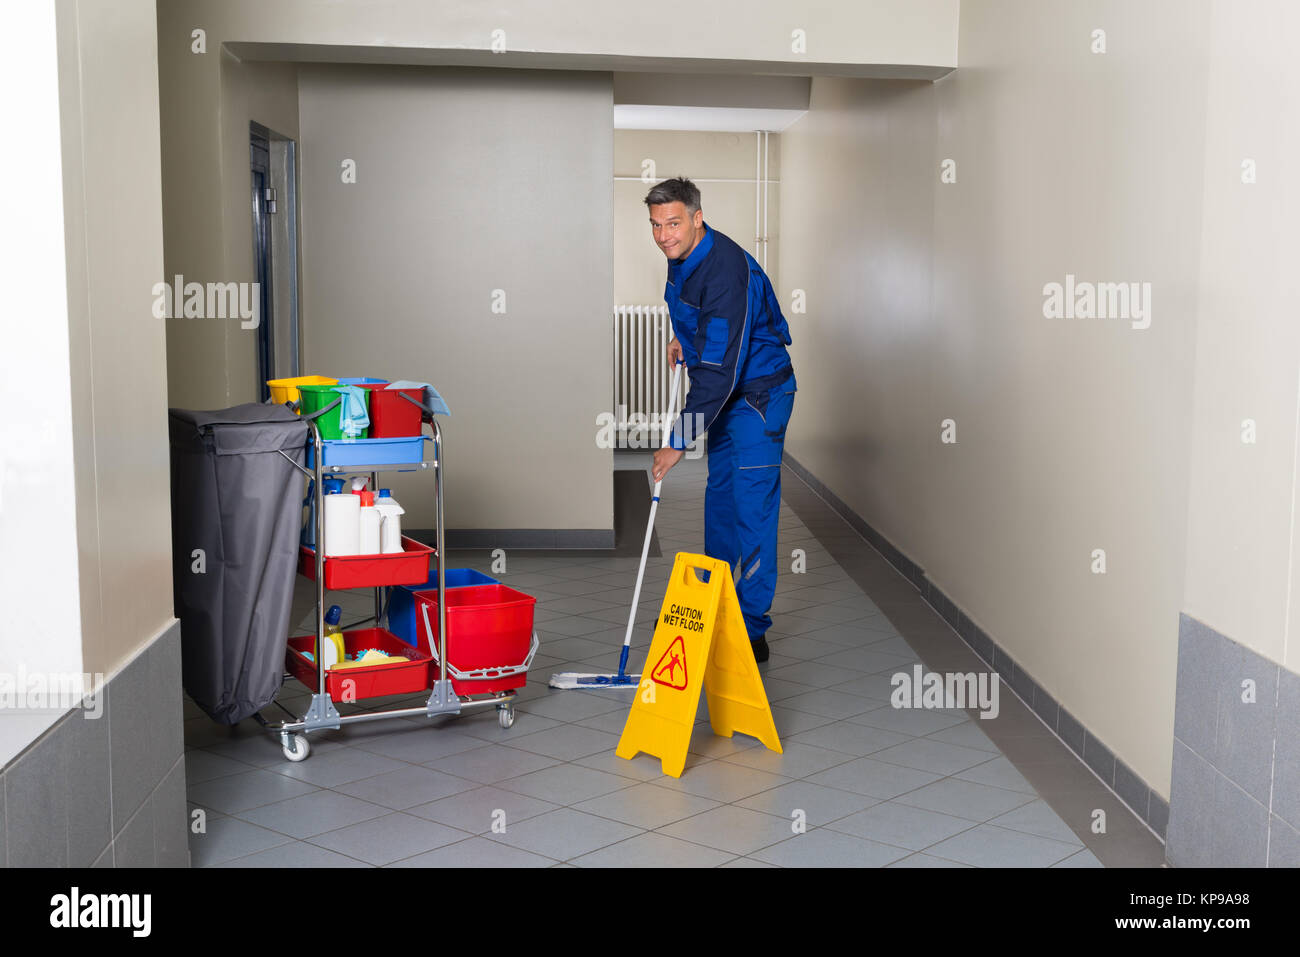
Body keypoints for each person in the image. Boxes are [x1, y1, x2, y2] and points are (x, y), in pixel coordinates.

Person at [645, 177, 796, 663]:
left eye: (672, 223)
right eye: (655, 225)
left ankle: (751, 631)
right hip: (731, 393)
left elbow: (719, 369)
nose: (664, 234)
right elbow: (702, 325)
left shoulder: (725, 267)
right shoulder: (682, 257)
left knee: (751, 510)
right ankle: (717, 607)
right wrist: (681, 341)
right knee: (721, 504)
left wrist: (678, 441)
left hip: (758, 398)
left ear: (696, 217)